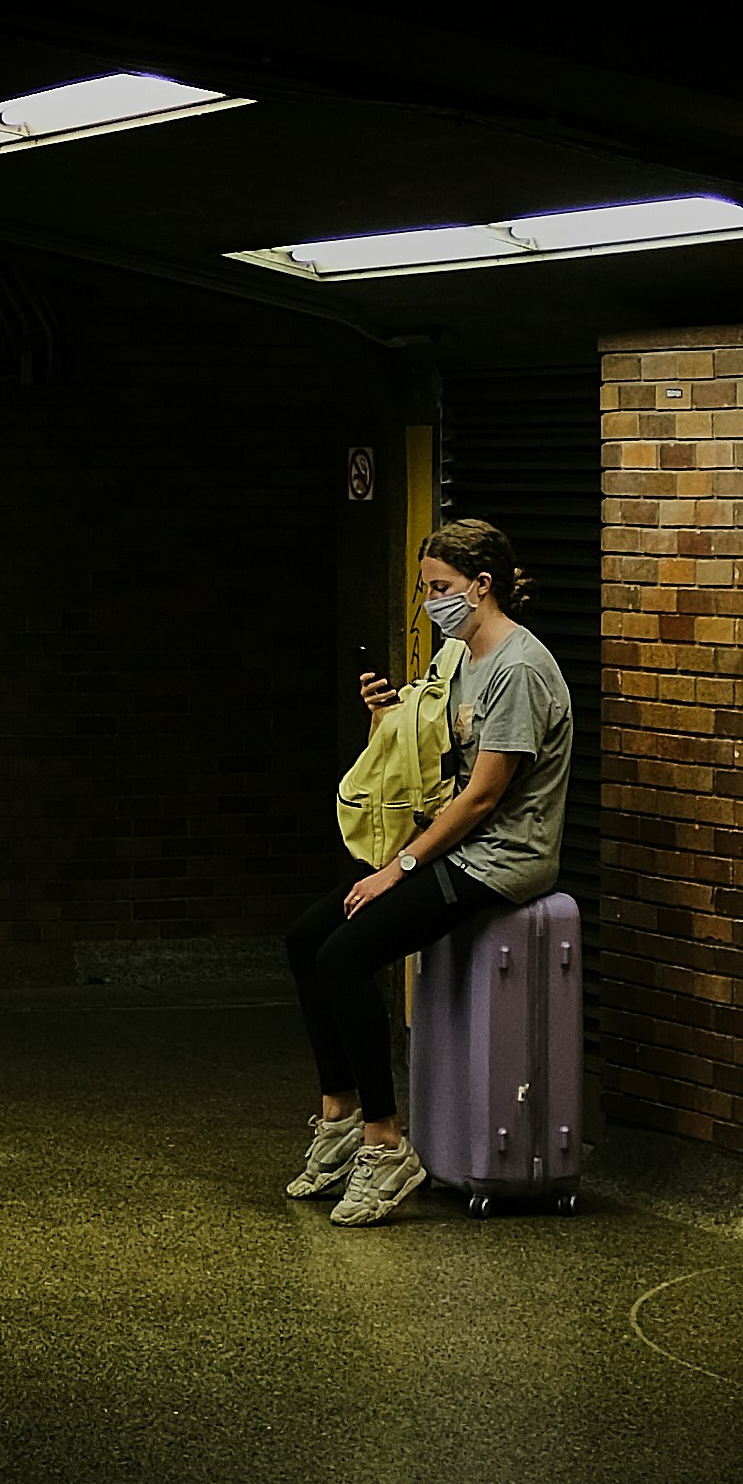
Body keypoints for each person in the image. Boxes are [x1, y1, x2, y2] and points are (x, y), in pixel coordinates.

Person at [281, 516, 575, 1225]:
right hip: (453, 845)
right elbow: (427, 753)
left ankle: (385, 1145)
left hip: (502, 857)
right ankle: (340, 1113)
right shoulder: (456, 657)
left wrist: (399, 867)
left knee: (346, 956)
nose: (428, 602)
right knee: (306, 938)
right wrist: (385, 719)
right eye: (425, 588)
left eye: (440, 588)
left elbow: (484, 796)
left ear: (482, 585)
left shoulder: (518, 669)